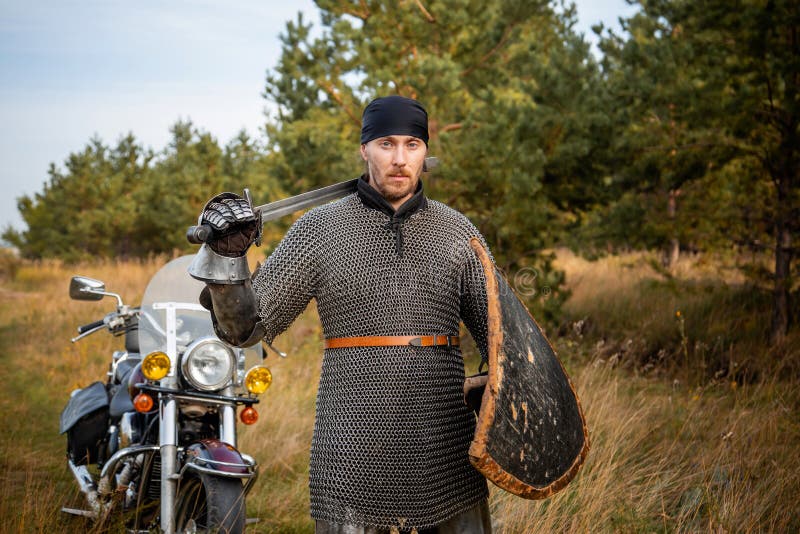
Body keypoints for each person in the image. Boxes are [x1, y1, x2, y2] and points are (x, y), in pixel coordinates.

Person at [194, 96, 494, 533]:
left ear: (426, 153)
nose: (399, 159)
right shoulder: (320, 229)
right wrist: (227, 261)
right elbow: (244, 330)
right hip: (354, 443)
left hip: (443, 444)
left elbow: (504, 341)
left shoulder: (457, 233)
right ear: (364, 149)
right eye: (386, 144)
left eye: (412, 145)